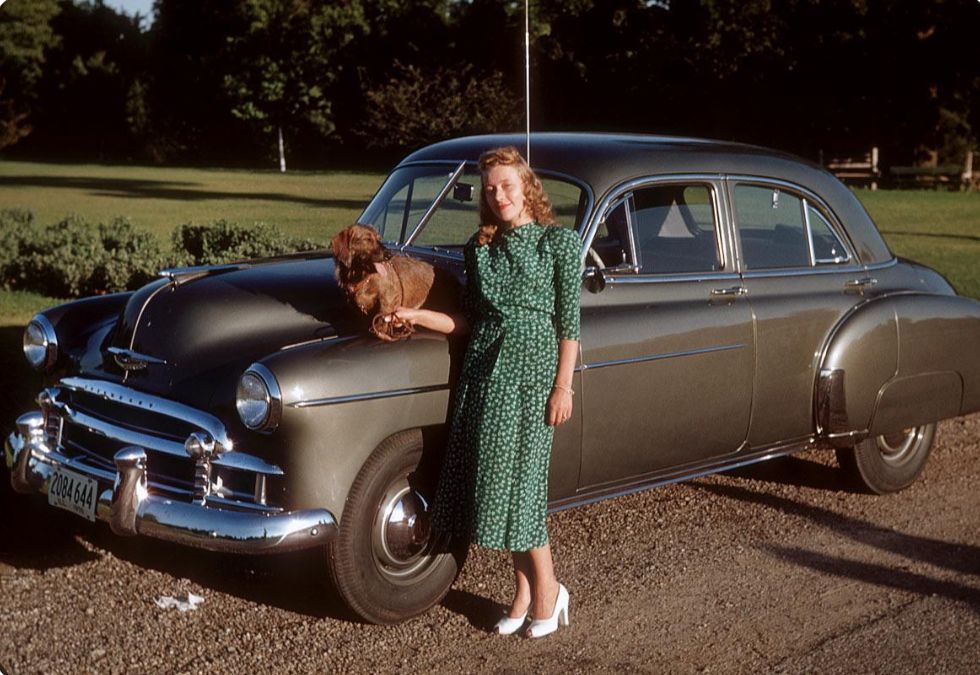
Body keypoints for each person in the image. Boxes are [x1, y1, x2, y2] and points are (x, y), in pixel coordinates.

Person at [387, 146, 581, 638]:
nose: (499, 196)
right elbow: (467, 321)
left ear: (527, 187)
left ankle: (550, 590)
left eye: (507, 186)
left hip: (533, 375)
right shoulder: (480, 249)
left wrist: (563, 386)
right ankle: (523, 592)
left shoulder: (558, 244)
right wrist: (416, 316)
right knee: (497, 483)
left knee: (524, 487)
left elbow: (570, 326)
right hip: (484, 373)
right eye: (490, 189)